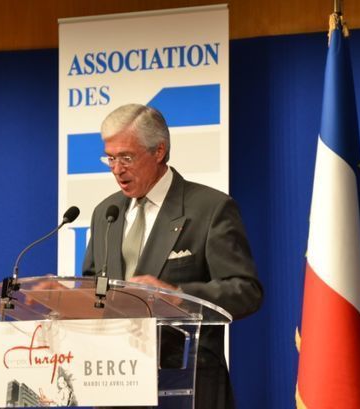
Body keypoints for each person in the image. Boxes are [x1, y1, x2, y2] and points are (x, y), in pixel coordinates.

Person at [82, 103, 263, 409]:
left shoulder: (209, 208)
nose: (117, 169)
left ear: (159, 151)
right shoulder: (106, 213)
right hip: (116, 381)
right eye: (110, 158)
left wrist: (179, 296)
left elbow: (245, 292)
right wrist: (72, 299)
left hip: (185, 383)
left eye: (126, 157)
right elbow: (92, 283)